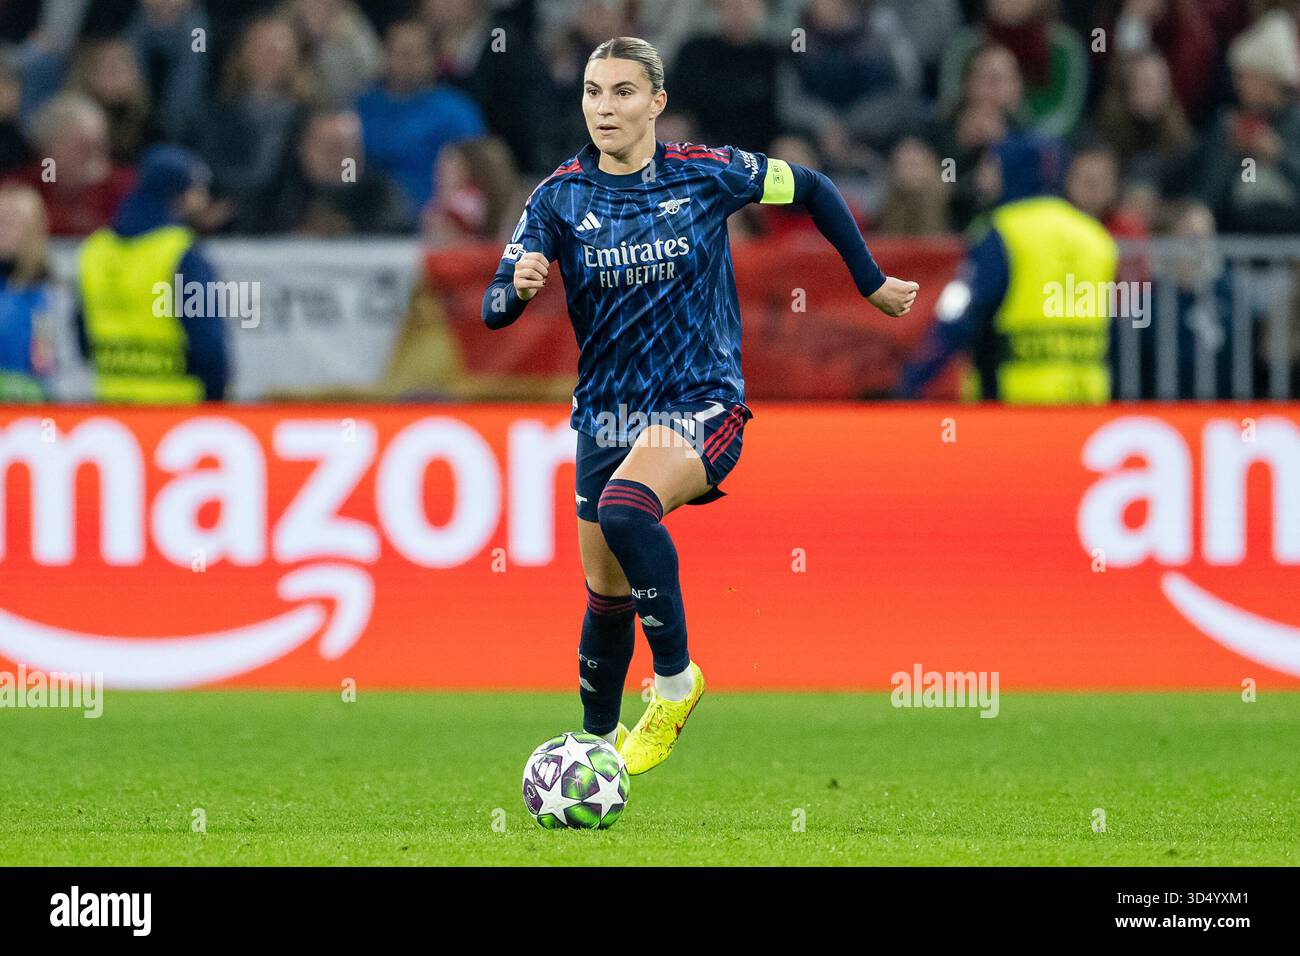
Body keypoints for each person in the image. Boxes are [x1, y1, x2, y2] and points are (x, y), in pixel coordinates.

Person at [480, 36, 917, 777]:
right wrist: (514, 289)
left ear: (656, 103)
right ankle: (592, 749)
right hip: (606, 418)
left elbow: (812, 186)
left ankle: (677, 681)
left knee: (624, 511)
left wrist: (869, 280)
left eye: (622, 92)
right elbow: (493, 306)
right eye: (592, 91)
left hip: (701, 402)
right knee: (605, 592)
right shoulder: (558, 198)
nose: (604, 107)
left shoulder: (708, 173)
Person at [898, 134, 1117, 403]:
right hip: (1086, 399)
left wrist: (915, 377)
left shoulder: (1002, 232)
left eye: (993, 167)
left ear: (1012, 169)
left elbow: (962, 312)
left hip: (1015, 398)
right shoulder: (1096, 236)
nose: (984, 179)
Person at [75, 145, 229, 403]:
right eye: (197, 189)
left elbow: (82, 334)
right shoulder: (182, 255)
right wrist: (216, 396)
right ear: (177, 192)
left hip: (111, 403)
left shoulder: (95, 250)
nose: (203, 199)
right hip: (176, 407)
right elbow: (208, 343)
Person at [0, 185, 55, 400]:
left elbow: (51, 361)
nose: (2, 229)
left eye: (10, 222)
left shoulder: (48, 293)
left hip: (29, 408)